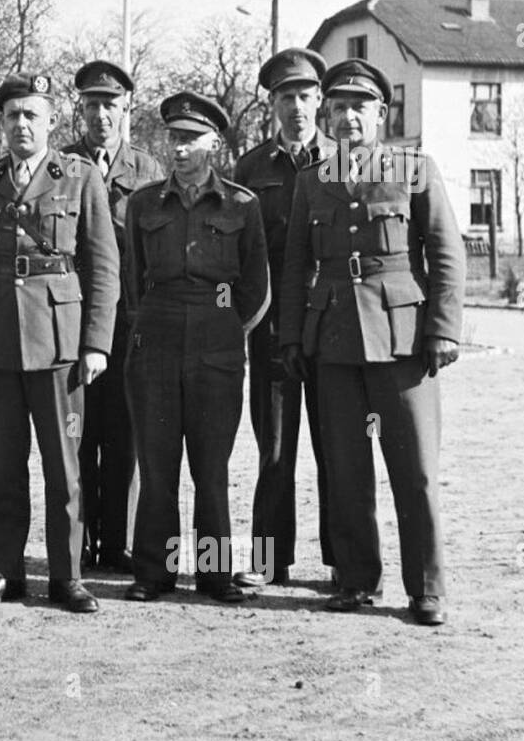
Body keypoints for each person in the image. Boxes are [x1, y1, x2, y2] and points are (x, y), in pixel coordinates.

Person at [279, 58, 465, 626]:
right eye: (337, 107)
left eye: (360, 106)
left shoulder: (414, 168)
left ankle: (426, 587)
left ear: (381, 113)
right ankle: (358, 579)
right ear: (327, 116)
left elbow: (446, 253)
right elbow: (294, 267)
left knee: (415, 468)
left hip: (402, 340)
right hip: (333, 339)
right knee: (346, 465)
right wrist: (291, 338)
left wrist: (442, 329)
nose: (347, 116)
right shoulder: (313, 180)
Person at [0, 71, 118, 613]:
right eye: (12, 116)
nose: (21, 125)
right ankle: (4, 572)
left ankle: (66, 576)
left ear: (50, 123)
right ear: (0, 123)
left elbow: (103, 267)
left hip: (59, 341)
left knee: (63, 464)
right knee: (2, 461)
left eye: (31, 116)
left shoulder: (80, 177)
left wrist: (96, 342)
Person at [123, 90, 269, 604]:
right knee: (158, 463)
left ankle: (213, 574)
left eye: (191, 139)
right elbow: (132, 280)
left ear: (215, 143)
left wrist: (225, 325)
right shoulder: (143, 203)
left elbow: (254, 285)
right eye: (174, 139)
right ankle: (154, 574)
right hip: (156, 339)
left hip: (217, 343)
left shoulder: (241, 205)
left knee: (211, 467)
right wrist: (153, 322)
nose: (179, 150)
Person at [232, 48, 336, 588]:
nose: (296, 107)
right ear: (270, 104)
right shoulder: (250, 170)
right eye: (285, 97)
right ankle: (271, 561)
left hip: (333, 324)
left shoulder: (345, 161)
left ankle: (346, 563)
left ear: (319, 100)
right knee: (274, 447)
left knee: (336, 445)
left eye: (305, 95)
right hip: (273, 329)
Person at [60, 60, 162, 573]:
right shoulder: (60, 165)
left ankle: (117, 542)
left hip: (129, 322)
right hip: (70, 318)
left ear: (127, 110)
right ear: (80, 109)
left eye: (111, 106)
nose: (102, 115)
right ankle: (76, 538)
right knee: (76, 431)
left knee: (124, 433)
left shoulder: (146, 172)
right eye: (92, 105)